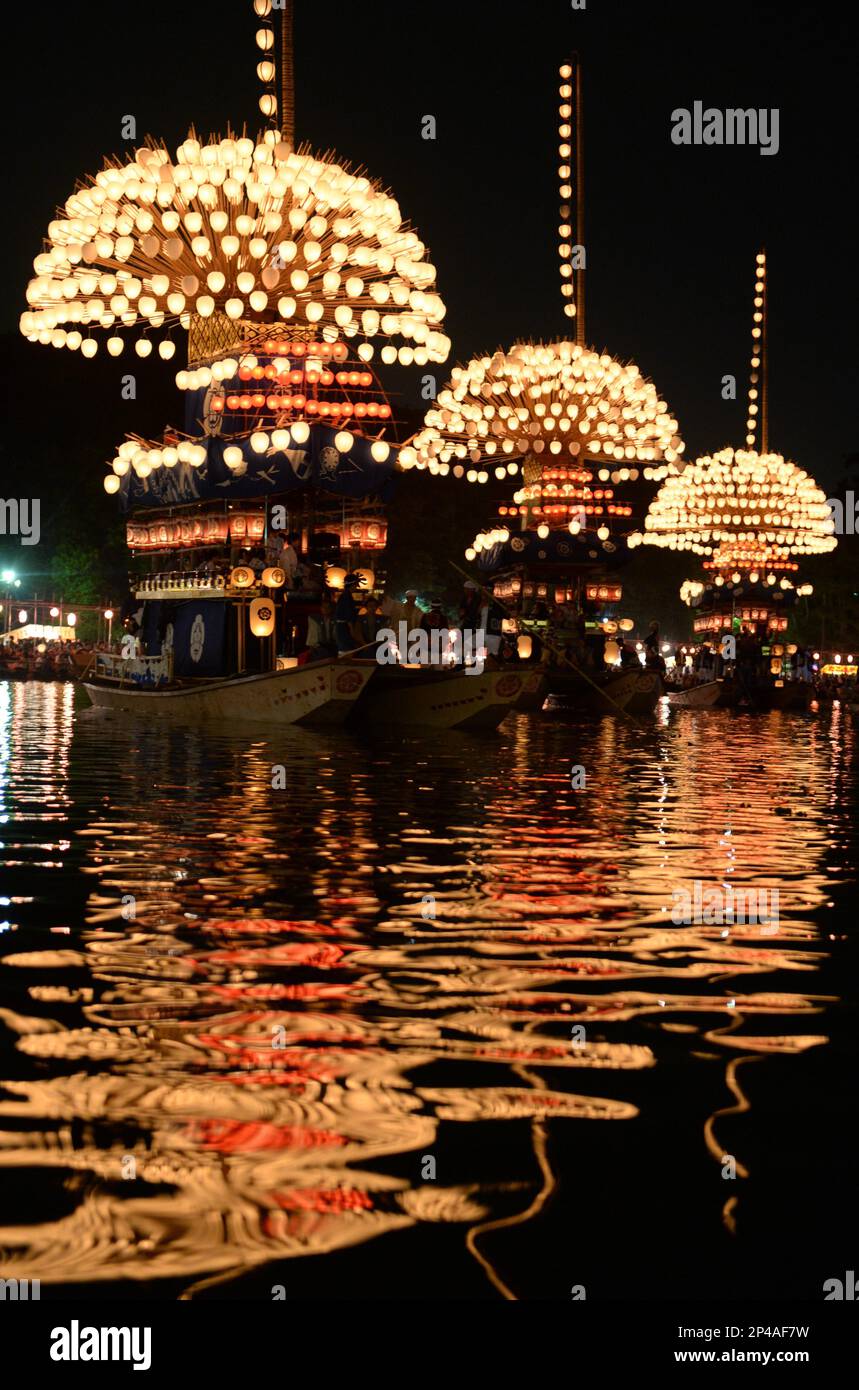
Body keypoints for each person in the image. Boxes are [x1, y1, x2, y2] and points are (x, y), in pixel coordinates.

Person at [334, 575, 365, 653]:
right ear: (352, 585)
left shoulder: (345, 595)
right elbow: (348, 615)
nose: (356, 587)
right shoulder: (346, 597)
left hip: (342, 626)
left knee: (345, 649)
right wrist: (352, 630)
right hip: (345, 627)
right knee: (346, 650)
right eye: (356, 585)